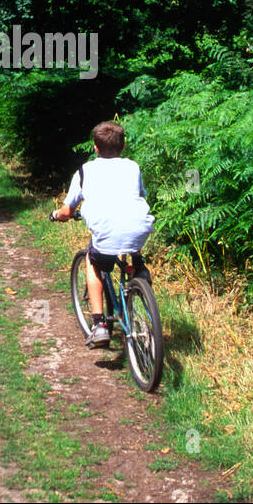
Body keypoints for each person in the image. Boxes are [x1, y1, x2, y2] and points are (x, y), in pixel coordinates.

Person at [50, 121, 154, 347]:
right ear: (123, 146)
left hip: (107, 231)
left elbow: (68, 211)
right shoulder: (133, 167)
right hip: (140, 226)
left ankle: (99, 325)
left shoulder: (85, 171)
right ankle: (139, 267)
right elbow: (141, 194)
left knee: (92, 262)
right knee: (131, 231)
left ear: (95, 148)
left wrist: (57, 215)